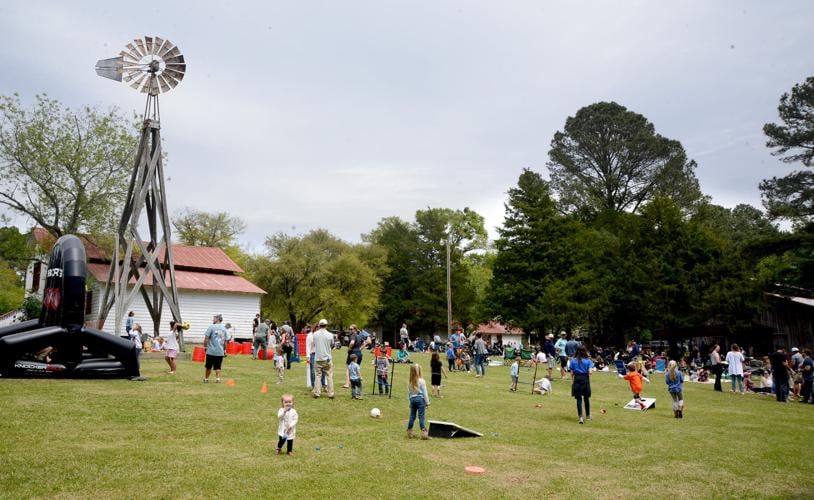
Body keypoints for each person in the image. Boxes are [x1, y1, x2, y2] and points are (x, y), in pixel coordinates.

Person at [569, 345, 594, 424]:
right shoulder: (588, 361)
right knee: (586, 398)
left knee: (579, 399)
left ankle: (580, 417)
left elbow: (572, 373)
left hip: (577, 379)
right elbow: (590, 372)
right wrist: (591, 370)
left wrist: (573, 382)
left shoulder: (573, 360)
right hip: (585, 379)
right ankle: (588, 415)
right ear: (585, 352)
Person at [406, 364, 431, 440]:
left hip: (412, 400)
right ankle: (424, 433)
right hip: (420, 400)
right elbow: (425, 393)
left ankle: (409, 431)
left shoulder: (410, 381)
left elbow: (409, 393)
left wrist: (410, 401)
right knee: (421, 417)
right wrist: (427, 402)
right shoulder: (421, 381)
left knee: (412, 416)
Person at [311, 319, 335, 398]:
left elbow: (314, 344)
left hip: (318, 358)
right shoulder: (330, 335)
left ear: (319, 325)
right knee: (329, 375)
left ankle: (317, 392)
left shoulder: (315, 334)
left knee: (318, 375)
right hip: (327, 357)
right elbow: (332, 345)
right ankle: (331, 393)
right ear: (326, 325)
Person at [203, 314, 228, 383]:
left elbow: (206, 338)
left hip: (211, 351)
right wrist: (225, 350)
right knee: (218, 366)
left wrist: (205, 346)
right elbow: (226, 341)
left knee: (208, 366)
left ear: (217, 319)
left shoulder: (211, 327)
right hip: (220, 352)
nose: (212, 320)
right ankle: (218, 379)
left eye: (213, 319)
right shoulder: (224, 329)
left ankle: (206, 379)